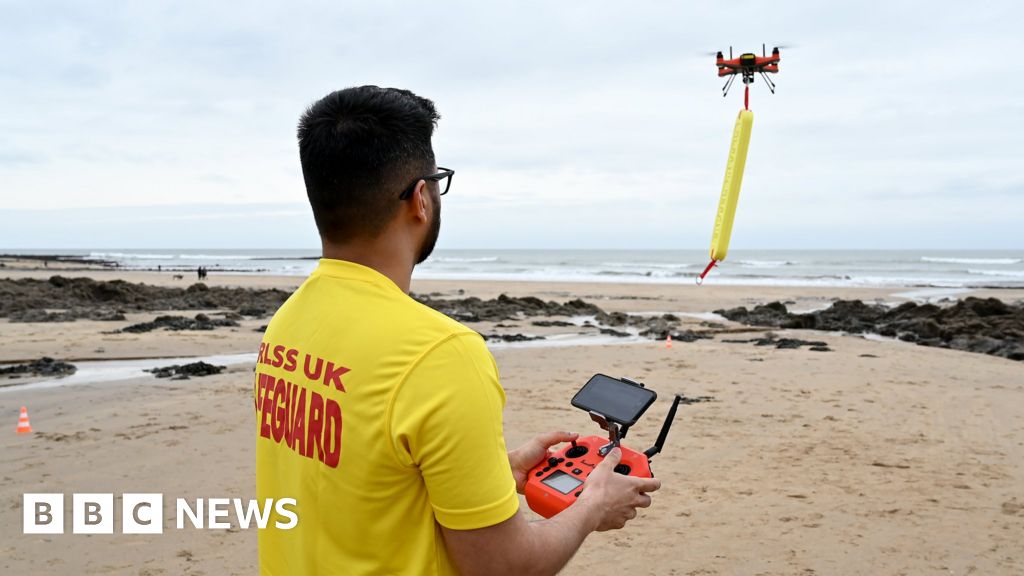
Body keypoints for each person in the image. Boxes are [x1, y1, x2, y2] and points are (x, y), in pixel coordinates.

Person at [255, 86, 660, 576]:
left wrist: (494, 476)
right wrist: (593, 502)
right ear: (420, 199)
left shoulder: (289, 321)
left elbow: (358, 480)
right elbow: (505, 567)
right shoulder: (440, 354)